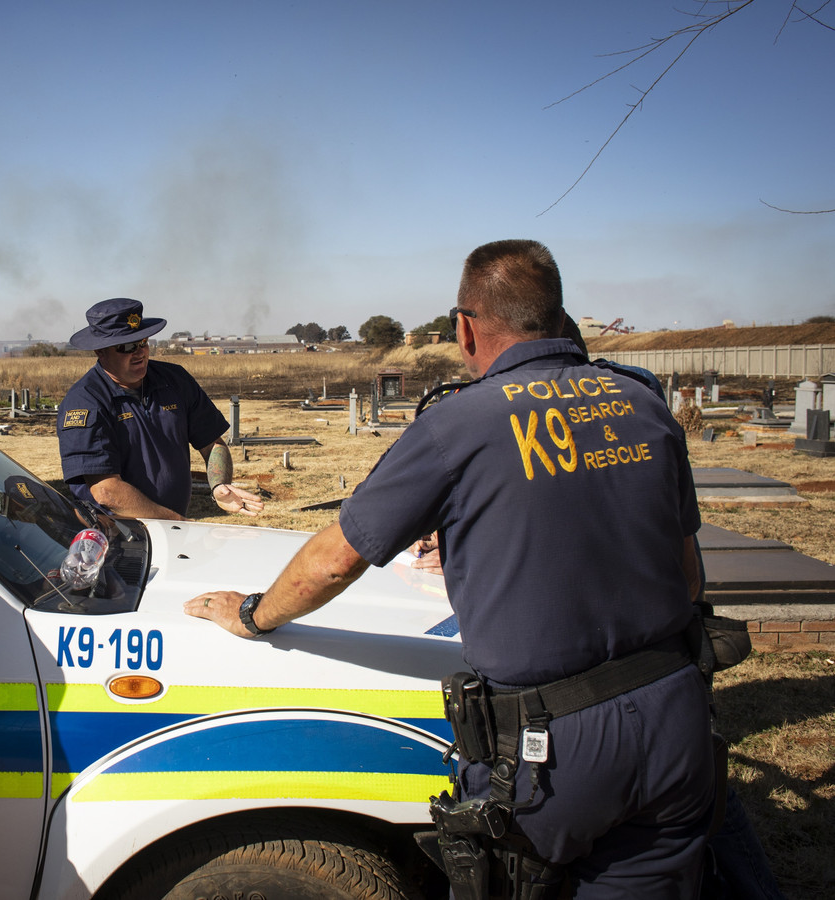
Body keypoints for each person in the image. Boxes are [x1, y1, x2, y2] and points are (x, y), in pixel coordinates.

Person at [186, 240, 715, 898]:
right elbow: (688, 578)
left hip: (555, 751)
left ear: (465, 326)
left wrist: (251, 614)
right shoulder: (643, 405)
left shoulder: (458, 426)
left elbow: (333, 560)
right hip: (676, 716)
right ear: (556, 316)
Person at [56, 297, 263, 520]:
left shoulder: (175, 380)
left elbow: (212, 443)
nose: (139, 353)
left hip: (171, 527)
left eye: (143, 342)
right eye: (126, 347)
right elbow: (106, 492)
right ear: (100, 351)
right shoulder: (85, 402)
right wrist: (175, 522)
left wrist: (219, 484)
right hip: (115, 538)